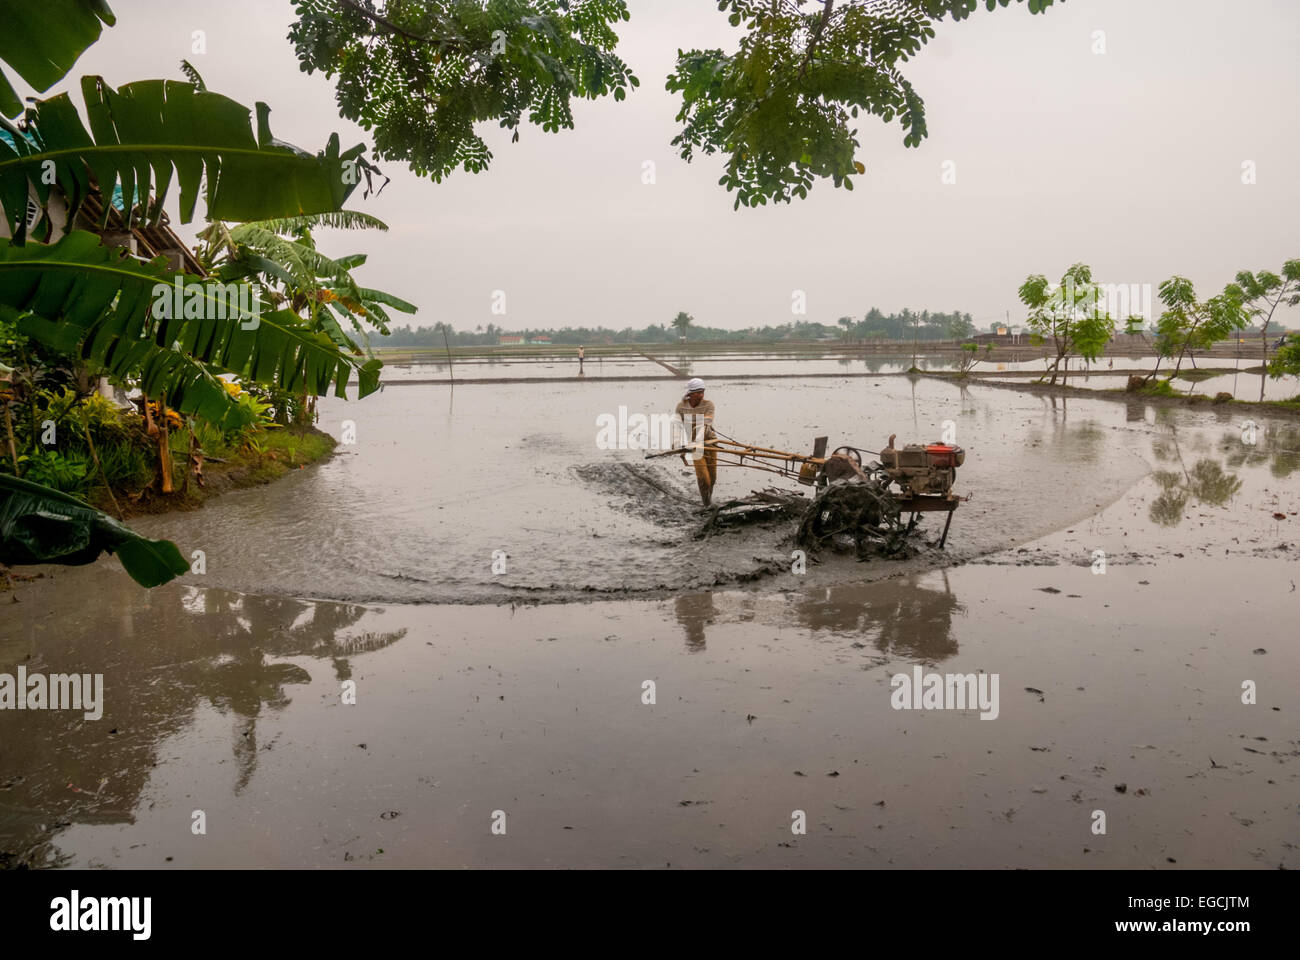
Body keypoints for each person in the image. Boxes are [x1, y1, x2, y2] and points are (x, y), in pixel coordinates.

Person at [675, 377, 717, 506]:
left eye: (702, 391)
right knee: (703, 478)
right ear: (690, 393)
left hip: (709, 442)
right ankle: (706, 505)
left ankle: (708, 499)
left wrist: (699, 436)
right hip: (695, 446)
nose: (701, 394)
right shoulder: (681, 407)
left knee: (712, 477)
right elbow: (677, 426)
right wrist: (678, 442)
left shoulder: (708, 405)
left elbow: (707, 422)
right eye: (698, 392)